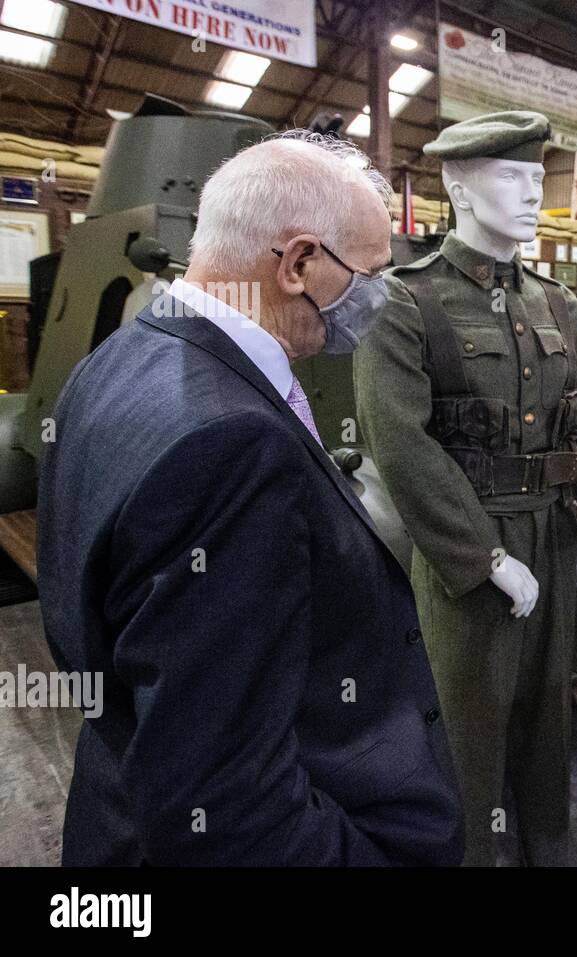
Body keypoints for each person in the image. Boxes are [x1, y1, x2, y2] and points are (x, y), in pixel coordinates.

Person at [38, 132, 463, 865]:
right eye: (370, 277)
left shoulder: (115, 361)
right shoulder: (233, 445)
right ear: (299, 264)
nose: (378, 301)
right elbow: (229, 809)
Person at [353, 111, 577, 866]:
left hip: (553, 536)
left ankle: (546, 851)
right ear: (459, 185)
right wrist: (485, 559)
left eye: (538, 178)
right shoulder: (405, 301)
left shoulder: (556, 302)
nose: (533, 194)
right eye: (512, 178)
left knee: (547, 722)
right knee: (469, 727)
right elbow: (400, 444)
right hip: (469, 546)